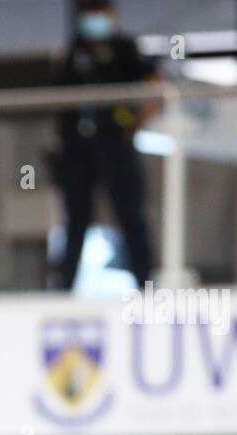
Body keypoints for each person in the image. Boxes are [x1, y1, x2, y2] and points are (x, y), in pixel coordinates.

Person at [52, 0, 158, 290]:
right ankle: (64, 287)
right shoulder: (72, 51)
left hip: (115, 142)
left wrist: (134, 123)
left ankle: (145, 283)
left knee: (130, 214)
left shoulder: (124, 48)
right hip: (77, 147)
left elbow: (154, 86)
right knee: (75, 220)